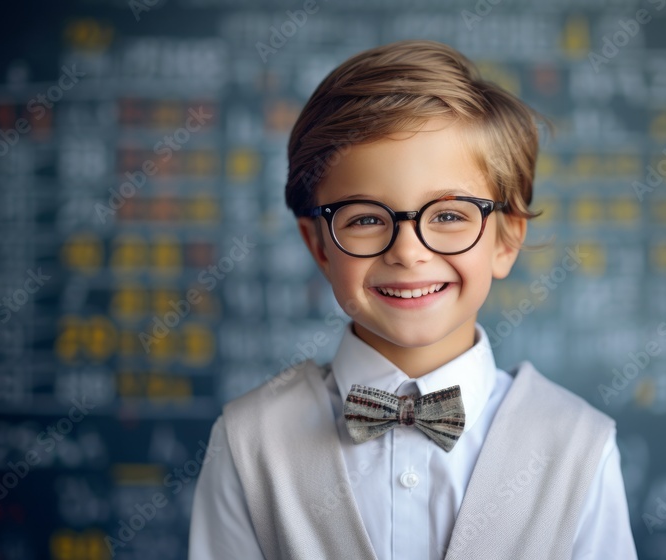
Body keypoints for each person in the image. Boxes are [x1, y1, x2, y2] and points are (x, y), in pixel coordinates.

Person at [188, 39, 637, 559]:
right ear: (318, 246)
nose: (408, 251)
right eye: (364, 218)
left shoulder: (579, 446)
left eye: (448, 216)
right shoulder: (248, 442)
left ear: (506, 239)